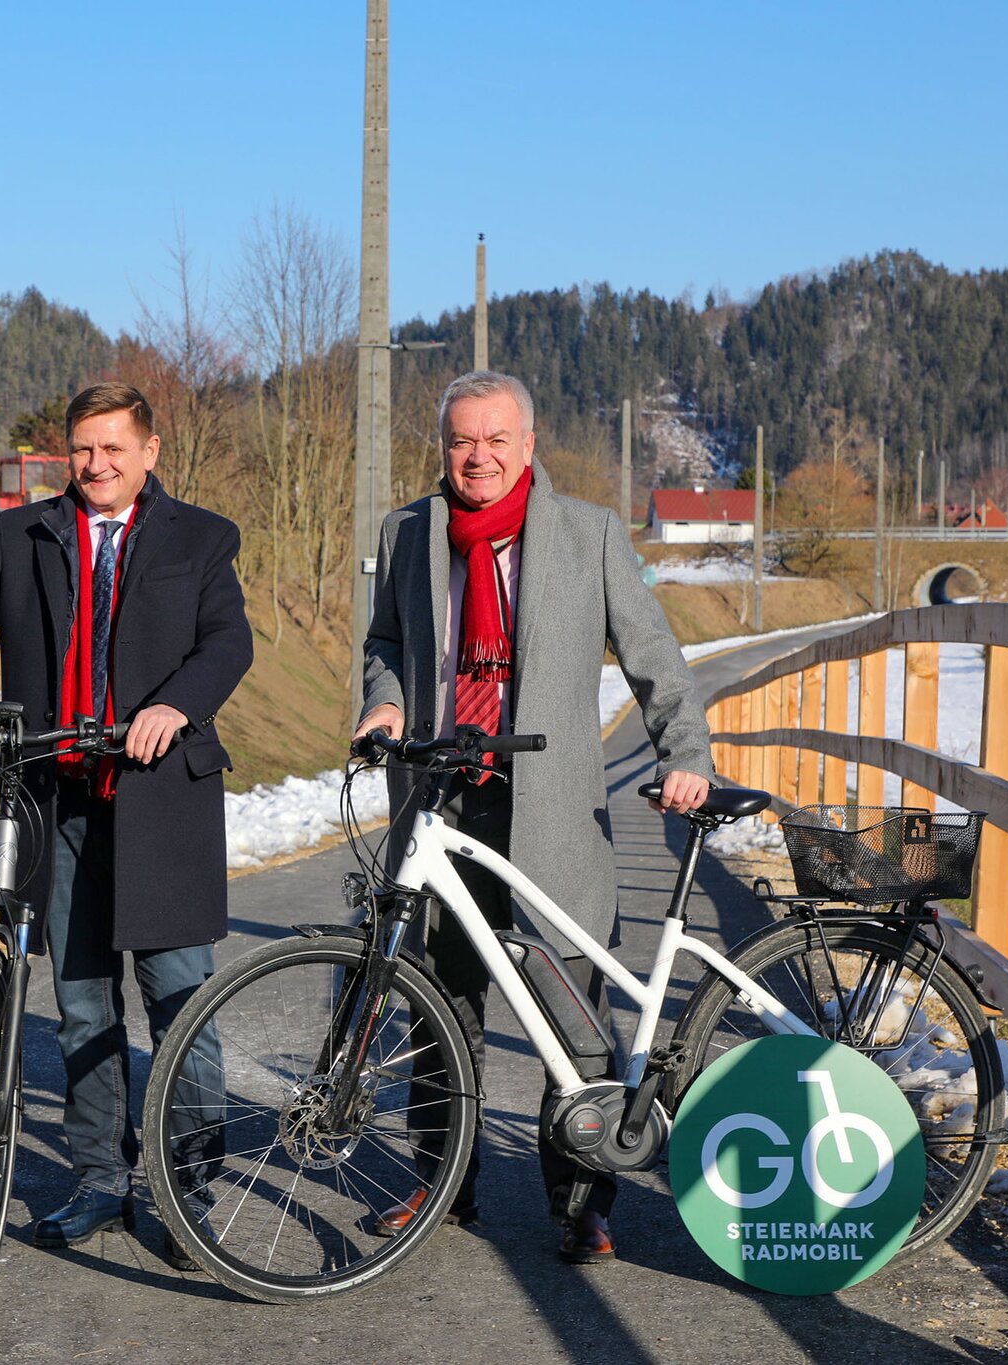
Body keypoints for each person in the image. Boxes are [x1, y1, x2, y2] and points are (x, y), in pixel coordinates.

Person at [0, 381, 250, 1267]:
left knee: (181, 1000)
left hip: (161, 799)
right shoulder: (22, 535)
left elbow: (227, 643)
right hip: (55, 798)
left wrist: (177, 707)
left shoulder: (200, 537)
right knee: (79, 1004)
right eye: (83, 449)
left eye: (114, 448)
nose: (97, 465)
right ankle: (100, 1177)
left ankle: (188, 1187)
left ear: (150, 451)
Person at [356, 370, 713, 1264]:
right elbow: (388, 643)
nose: (477, 458)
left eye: (494, 440)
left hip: (549, 806)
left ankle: (584, 1205)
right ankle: (439, 1186)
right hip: (439, 796)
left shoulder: (585, 531)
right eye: (460, 441)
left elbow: (651, 651)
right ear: (444, 446)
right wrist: (386, 703)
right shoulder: (409, 530)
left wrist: (686, 754)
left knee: (568, 1014)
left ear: (529, 442)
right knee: (439, 1000)